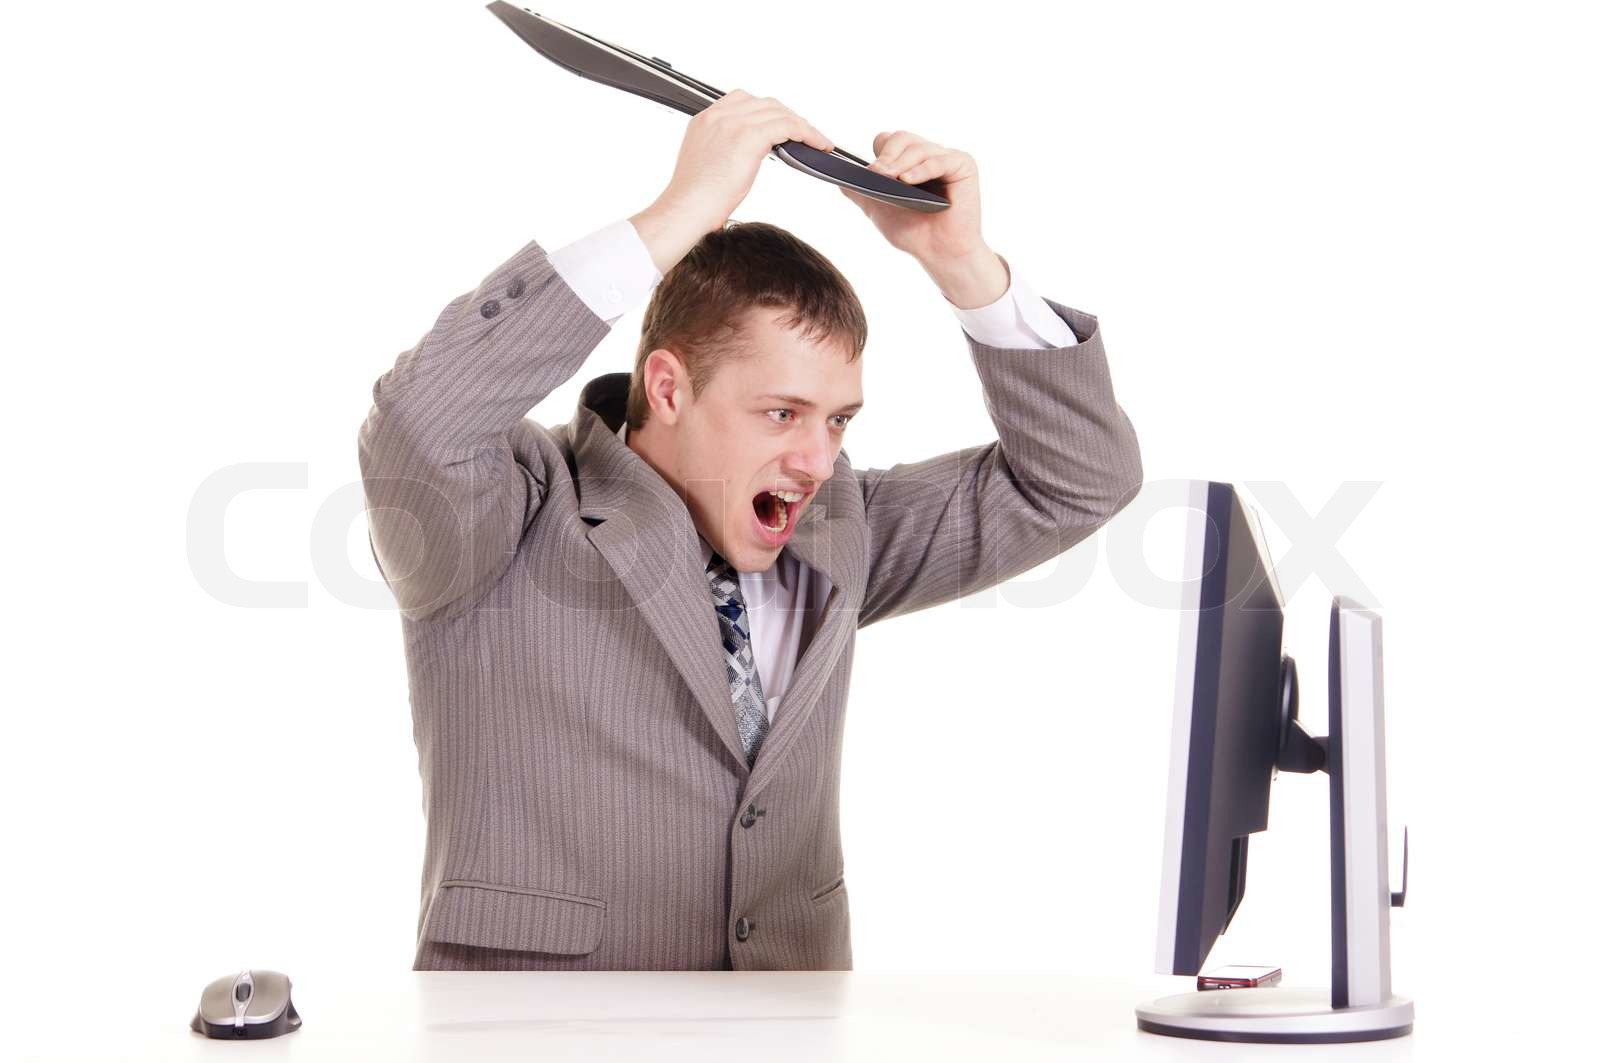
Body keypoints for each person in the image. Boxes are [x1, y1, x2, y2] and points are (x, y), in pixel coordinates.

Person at [358, 90, 1144, 971]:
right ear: (668, 388)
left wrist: (963, 265)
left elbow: (1081, 478)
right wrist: (681, 213)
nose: (817, 459)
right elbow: (423, 419)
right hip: (544, 1020)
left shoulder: (839, 529)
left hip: (794, 1014)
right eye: (781, 412)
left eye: (838, 420)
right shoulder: (511, 511)